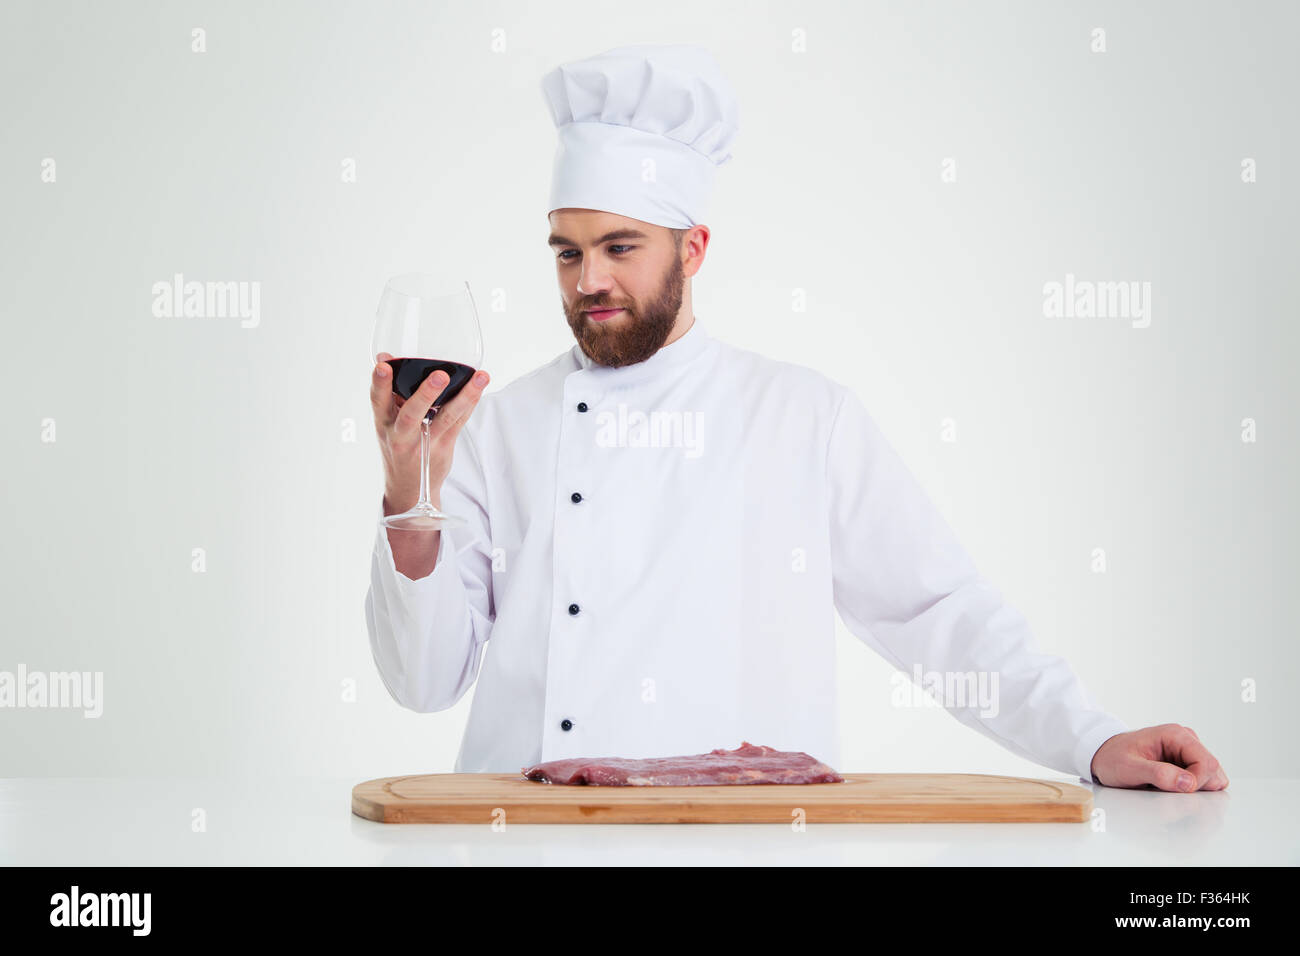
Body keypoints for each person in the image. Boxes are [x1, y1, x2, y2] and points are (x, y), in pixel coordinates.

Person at [366, 44, 1227, 792]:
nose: (589, 280)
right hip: (521, 839)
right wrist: (409, 497)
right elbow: (424, 683)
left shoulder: (801, 417)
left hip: (739, 838)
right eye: (569, 251)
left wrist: (1090, 739)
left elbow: (936, 610)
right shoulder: (496, 428)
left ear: (692, 249)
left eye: (620, 247)